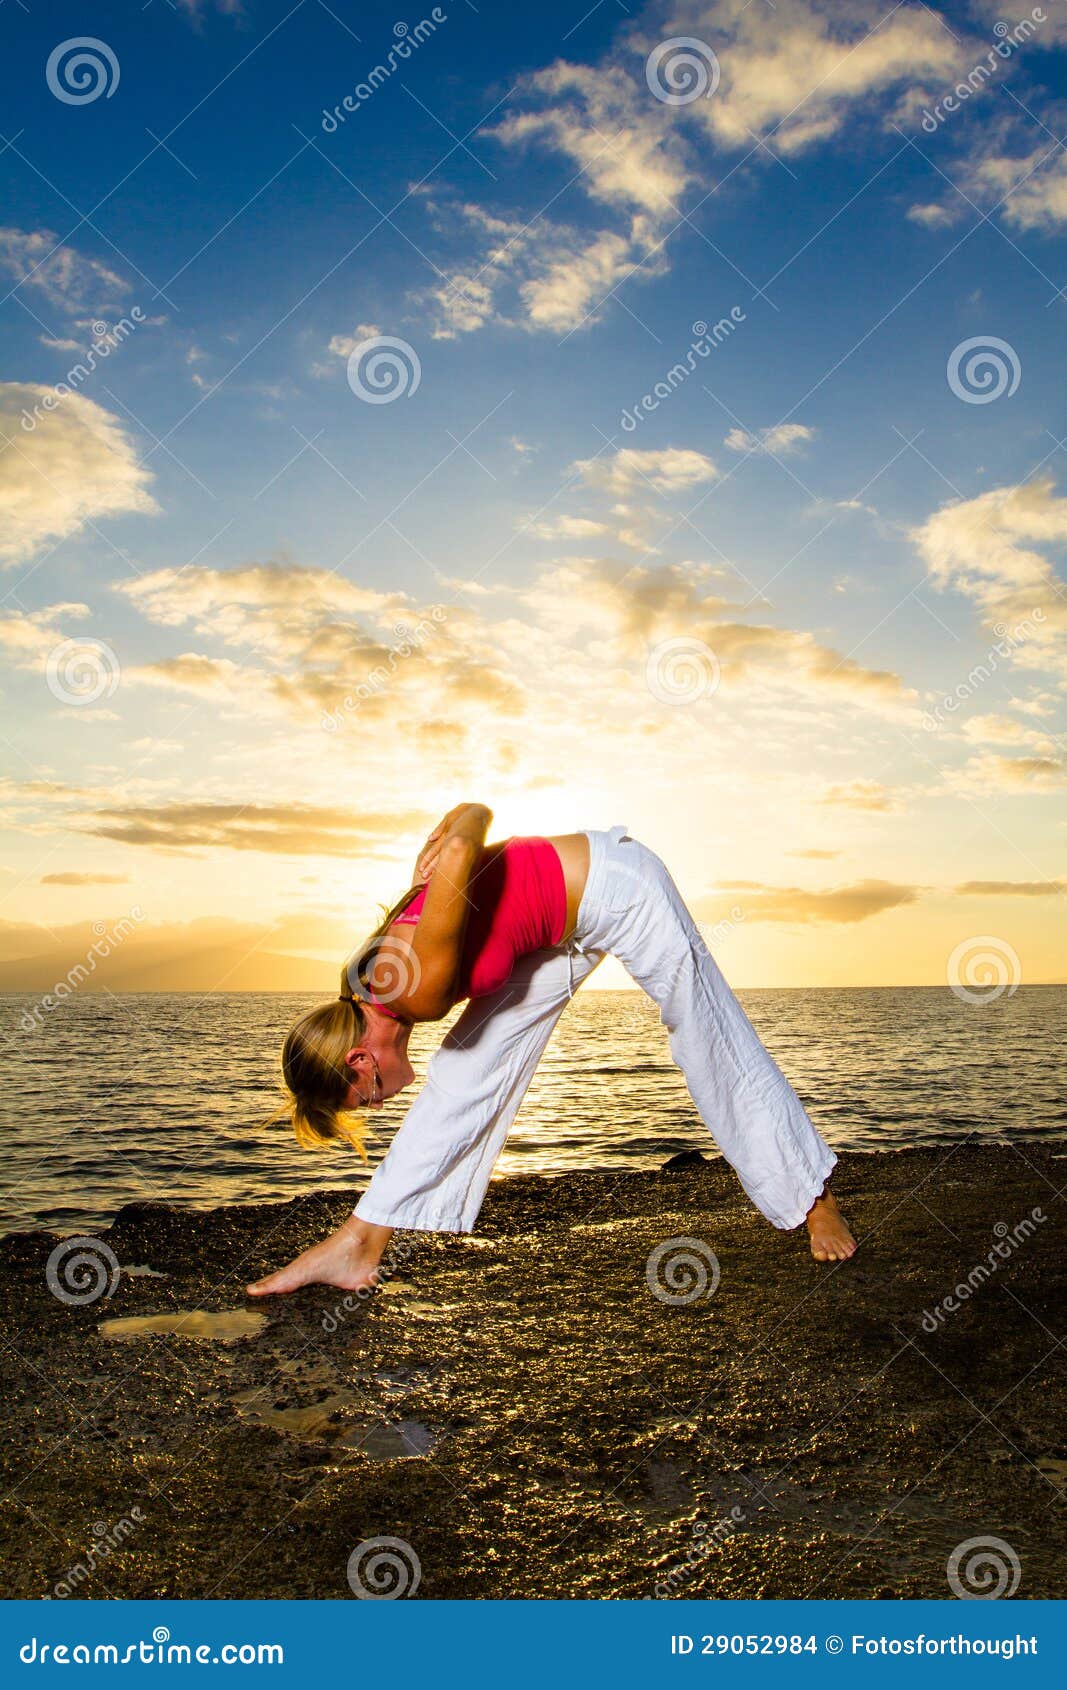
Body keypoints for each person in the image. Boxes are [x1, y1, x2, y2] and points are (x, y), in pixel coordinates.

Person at [248, 802, 856, 1297]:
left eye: (367, 1097)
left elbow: (470, 825)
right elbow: (463, 846)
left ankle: (813, 1200)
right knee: (462, 1072)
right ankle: (360, 1242)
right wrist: (447, 846)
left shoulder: (416, 991)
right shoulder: (367, 983)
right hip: (553, 932)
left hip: (619, 887)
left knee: (706, 1034)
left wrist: (453, 838)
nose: (378, 1105)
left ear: (359, 1060)